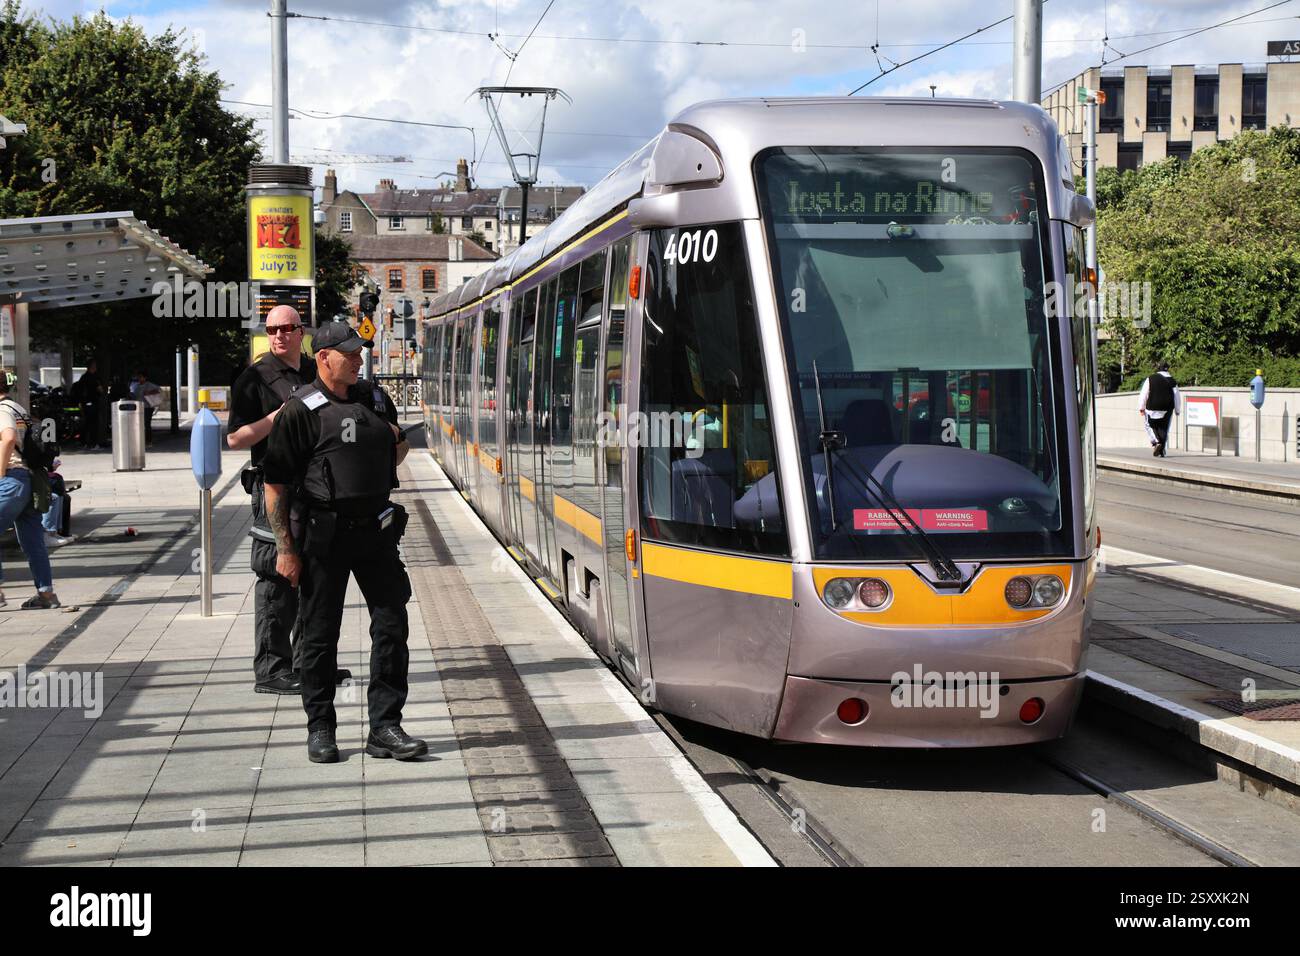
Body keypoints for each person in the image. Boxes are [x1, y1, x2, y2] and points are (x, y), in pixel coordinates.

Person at [262, 322, 423, 764]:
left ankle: (386, 726)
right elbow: (274, 486)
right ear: (324, 357)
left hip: (376, 532)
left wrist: (383, 457)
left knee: (392, 627)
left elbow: (398, 444)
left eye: (359, 352)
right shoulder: (301, 410)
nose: (357, 359)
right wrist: (286, 549)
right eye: (348, 353)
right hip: (323, 537)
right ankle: (321, 729)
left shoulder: (373, 398)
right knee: (318, 636)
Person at [227, 305, 347, 695]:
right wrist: (280, 416)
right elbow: (235, 439)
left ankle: (307, 662)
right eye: (271, 329)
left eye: (286, 328)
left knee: (313, 573)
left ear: (301, 332)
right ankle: (272, 668)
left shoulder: (316, 369)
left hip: (316, 486)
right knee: (277, 575)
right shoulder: (254, 378)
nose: (278, 335)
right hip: (274, 488)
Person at [0, 370, 61, 609]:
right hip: (30, 481)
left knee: (33, 541)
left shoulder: (2, 410)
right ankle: (46, 595)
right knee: (33, 541)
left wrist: (1, 471)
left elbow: (8, 438)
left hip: (13, 480)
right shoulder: (18, 408)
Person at [1138, 361, 1181, 458]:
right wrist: (1177, 410)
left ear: (1158, 368)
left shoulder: (1151, 378)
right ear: (1167, 368)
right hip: (1167, 408)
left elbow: (1144, 393)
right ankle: (1161, 449)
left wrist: (1141, 407)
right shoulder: (1172, 380)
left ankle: (1156, 442)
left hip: (1152, 407)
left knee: (1150, 425)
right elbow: (1177, 396)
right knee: (1164, 428)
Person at [70, 359, 104, 449]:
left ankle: (84, 442)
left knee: (86, 423)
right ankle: (94, 443)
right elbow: (100, 390)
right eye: (95, 366)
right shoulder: (95, 378)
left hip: (84, 403)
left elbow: (78, 390)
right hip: (93, 402)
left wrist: (80, 402)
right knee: (94, 424)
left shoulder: (83, 377)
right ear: (93, 367)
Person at [130, 370, 164, 447]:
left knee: (146, 424)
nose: (139, 378)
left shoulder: (149, 385)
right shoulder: (136, 386)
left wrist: (149, 393)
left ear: (145, 378)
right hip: (138, 407)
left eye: (141, 377)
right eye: (138, 377)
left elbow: (159, 390)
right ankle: (141, 440)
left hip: (147, 407)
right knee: (138, 424)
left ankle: (148, 441)